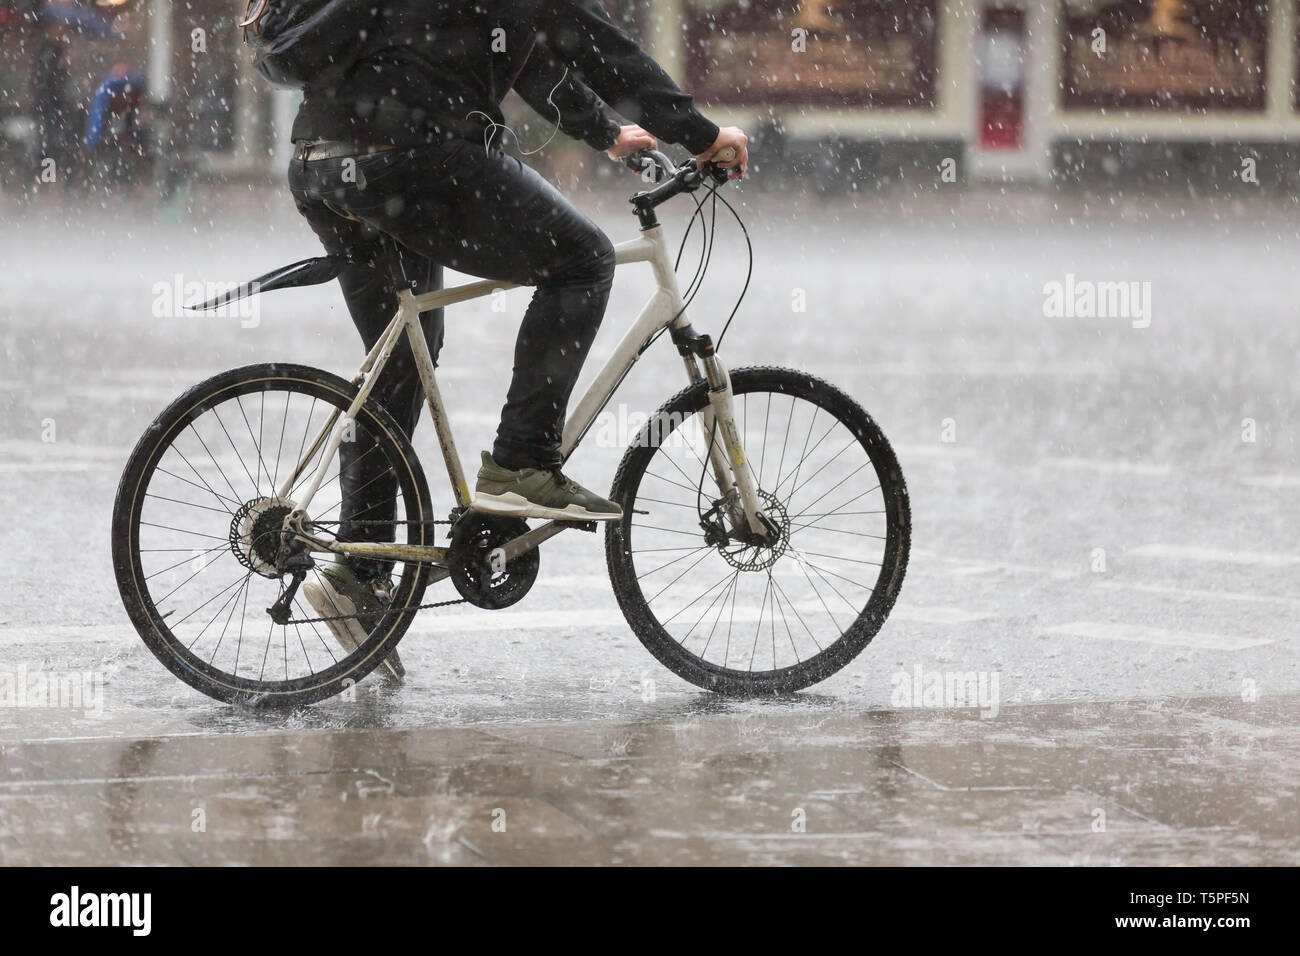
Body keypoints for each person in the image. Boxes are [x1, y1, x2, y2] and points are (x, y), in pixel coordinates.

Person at [254, 0, 748, 676]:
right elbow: (594, 42)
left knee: (403, 354)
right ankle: (523, 464)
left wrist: (606, 131)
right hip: (414, 158)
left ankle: (357, 574)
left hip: (327, 165)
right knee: (584, 261)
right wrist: (698, 133)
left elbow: (528, 49)